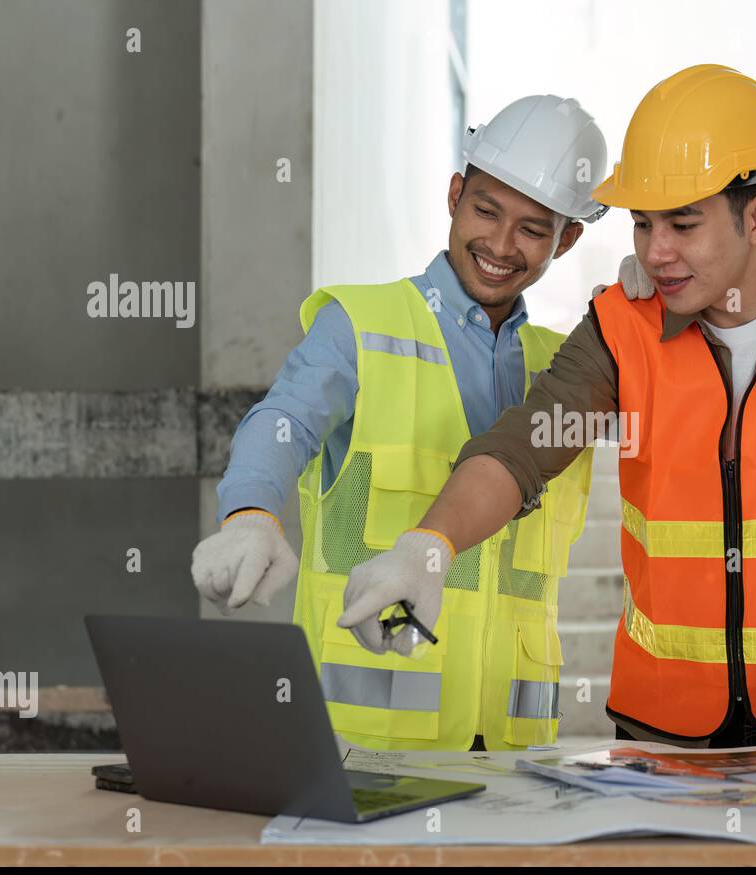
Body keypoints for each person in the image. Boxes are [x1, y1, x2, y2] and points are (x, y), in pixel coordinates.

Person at [334, 64, 756, 749]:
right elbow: (527, 446)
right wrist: (427, 548)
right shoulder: (623, 324)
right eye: (643, 225)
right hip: (662, 729)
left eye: (682, 224)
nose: (657, 251)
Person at [191, 95, 609, 752]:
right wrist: (250, 513)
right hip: (358, 746)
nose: (500, 246)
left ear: (570, 238)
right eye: (485, 210)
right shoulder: (363, 325)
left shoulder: (564, 369)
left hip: (513, 752)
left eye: (533, 229)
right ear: (453, 195)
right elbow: (283, 423)